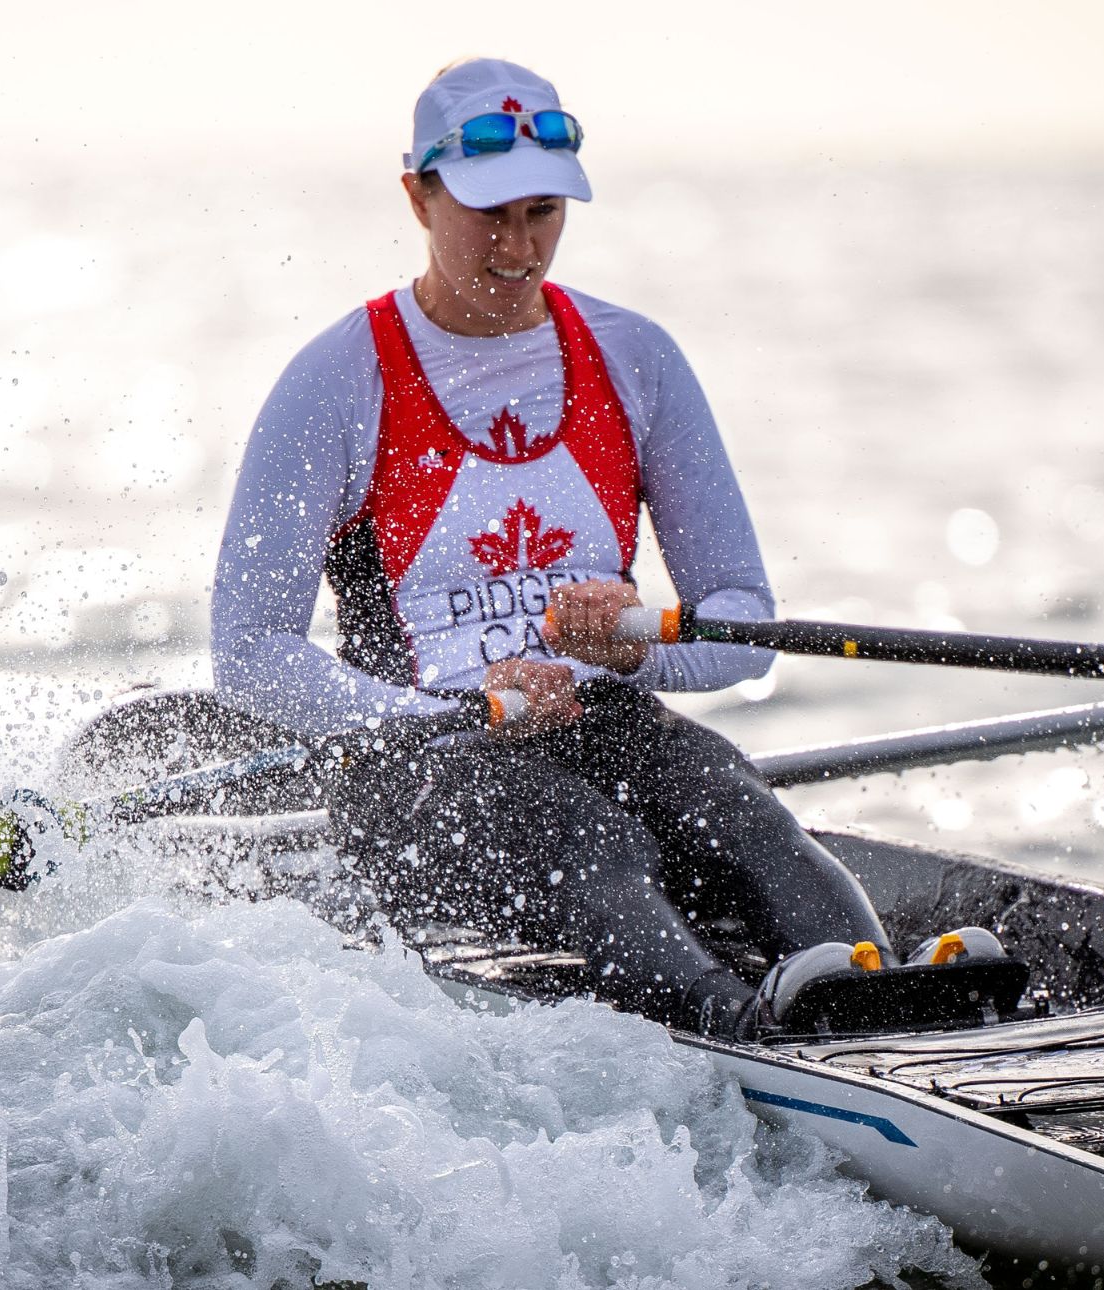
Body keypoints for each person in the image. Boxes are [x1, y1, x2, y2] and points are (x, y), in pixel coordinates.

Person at [210, 57, 887, 1038]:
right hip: (419, 754)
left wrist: (634, 647)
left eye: (543, 212)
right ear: (417, 196)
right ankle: (745, 1033)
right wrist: (453, 702)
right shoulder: (334, 381)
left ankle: (885, 996)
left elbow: (743, 623)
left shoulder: (636, 357)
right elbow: (248, 650)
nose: (520, 246)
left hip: (607, 717)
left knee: (742, 815)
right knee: (590, 841)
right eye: (489, 213)